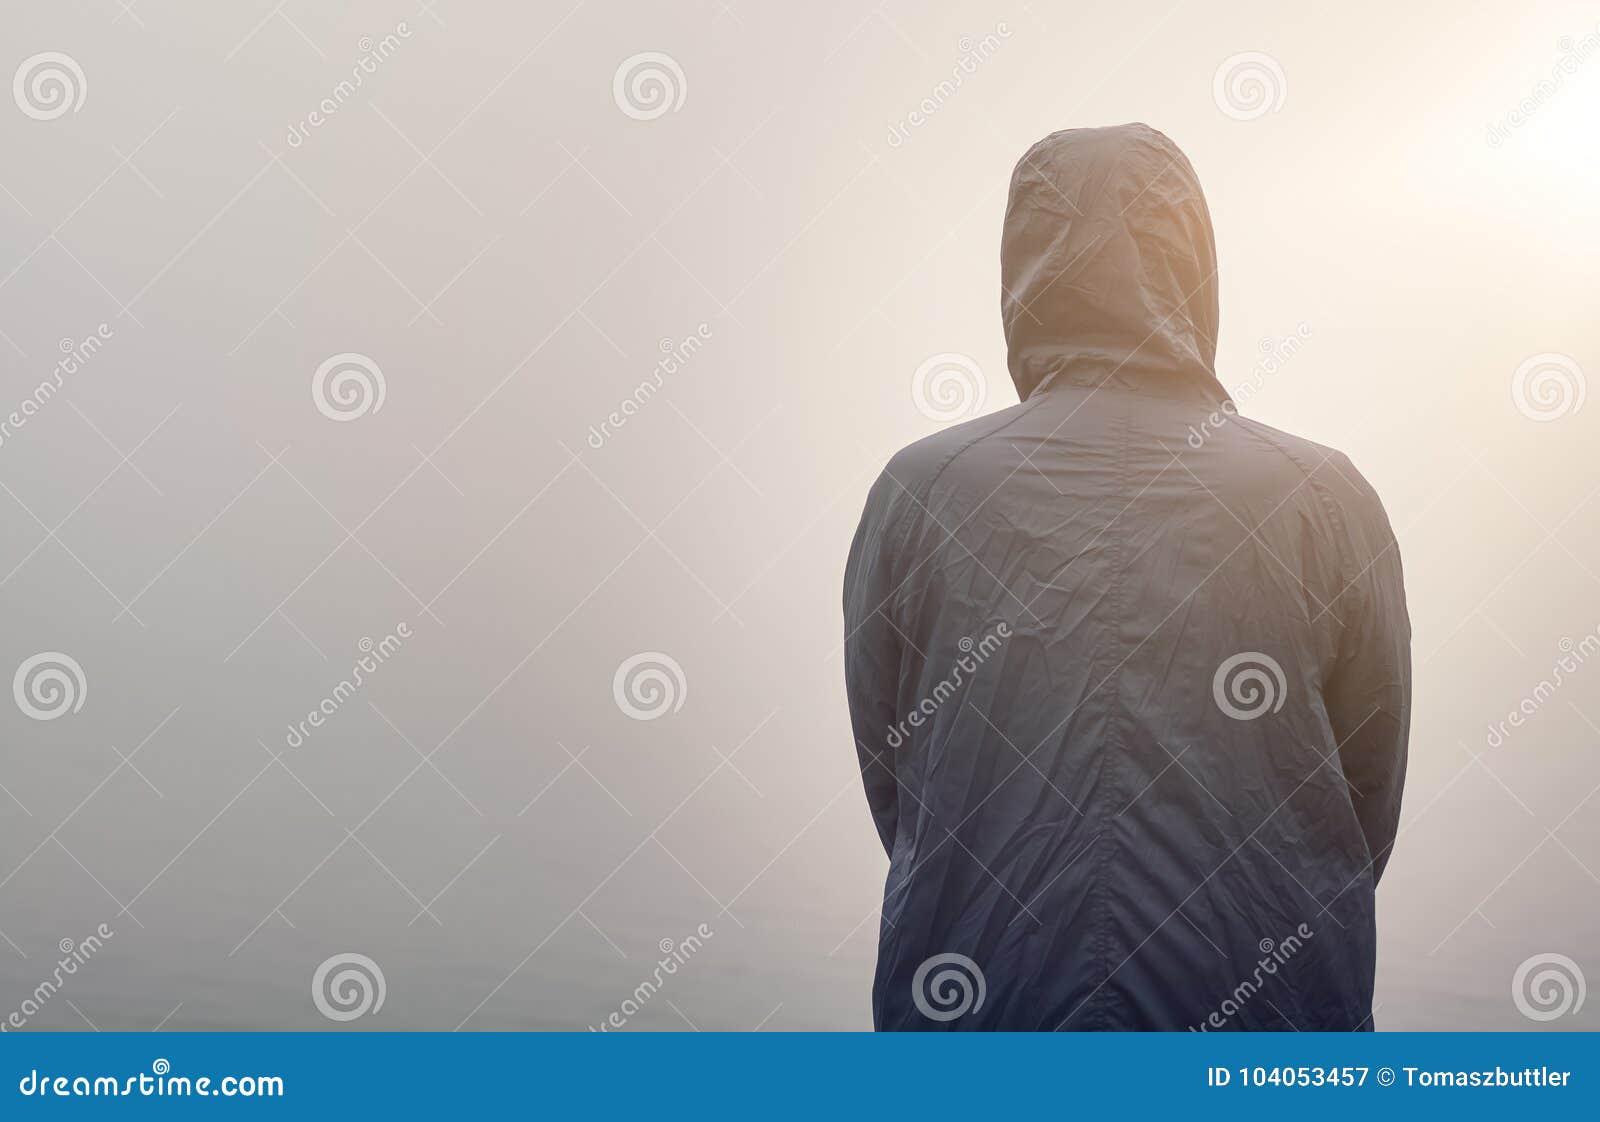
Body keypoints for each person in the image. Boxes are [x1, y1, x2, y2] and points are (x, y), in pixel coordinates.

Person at [842, 124, 1410, 1031]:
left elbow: (900, 776)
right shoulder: (1322, 494)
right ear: (1193, 263)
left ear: (1023, 268)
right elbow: (1362, 801)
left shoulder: (923, 488)